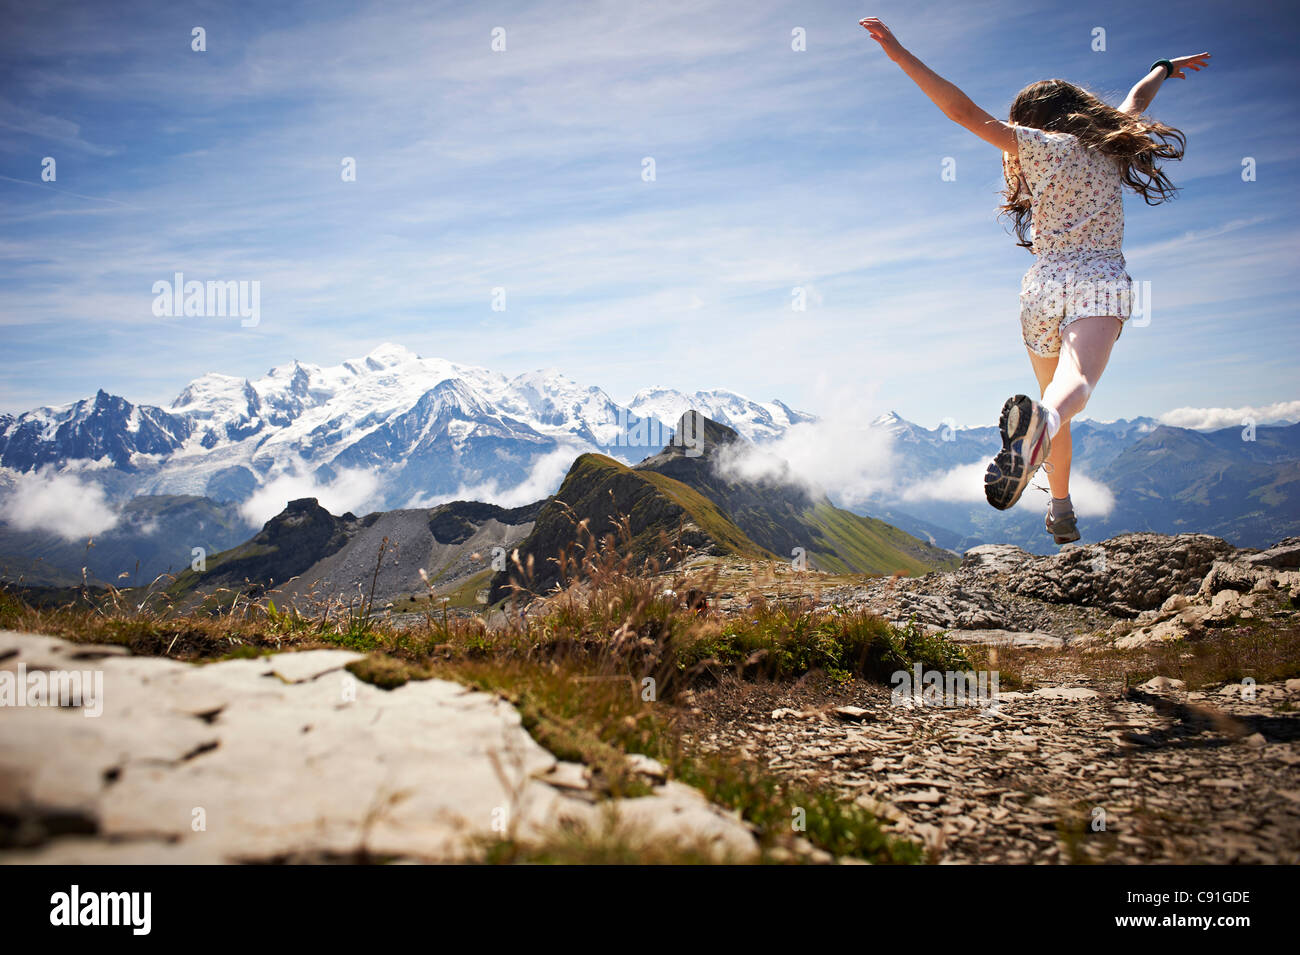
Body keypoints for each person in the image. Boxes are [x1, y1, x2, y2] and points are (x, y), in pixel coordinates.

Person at [860, 17, 1209, 544]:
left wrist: (901, 56)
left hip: (1041, 286)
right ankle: (1043, 434)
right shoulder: (1113, 139)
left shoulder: (1037, 148)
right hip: (1098, 275)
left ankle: (1061, 508)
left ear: (1032, 121)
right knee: (1076, 386)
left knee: (1055, 397)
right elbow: (1137, 97)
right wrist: (1164, 66)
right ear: (1079, 107)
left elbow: (962, 112)